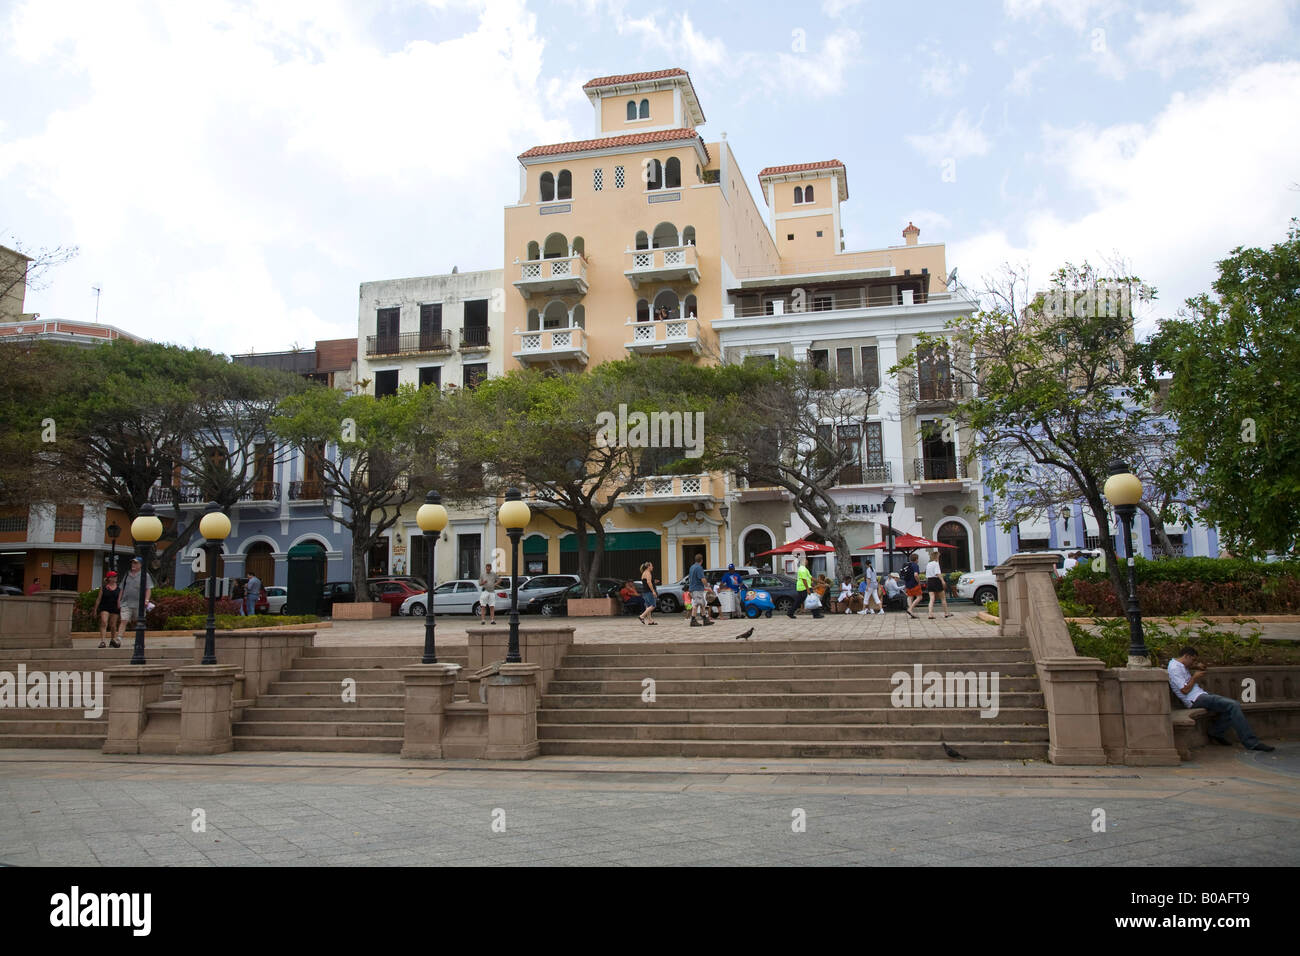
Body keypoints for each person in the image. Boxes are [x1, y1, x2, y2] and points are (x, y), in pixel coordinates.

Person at [1167, 646, 1274, 751]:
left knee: (1230, 707)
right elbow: (1184, 690)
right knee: (1233, 705)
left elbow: (1185, 669)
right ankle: (1251, 742)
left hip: (1200, 694)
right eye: (1193, 660)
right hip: (1194, 699)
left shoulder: (1180, 664)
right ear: (1186, 656)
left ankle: (1216, 732)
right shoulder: (1174, 668)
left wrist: (1196, 666)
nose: (1193, 663)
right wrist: (1195, 677)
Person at [117, 557, 153, 644]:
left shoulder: (145, 575)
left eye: (136, 563)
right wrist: (119, 600)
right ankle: (118, 639)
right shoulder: (127, 575)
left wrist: (147, 600)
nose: (133, 565)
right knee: (124, 620)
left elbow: (148, 589)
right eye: (133, 563)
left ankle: (139, 640)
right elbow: (122, 588)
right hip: (126, 602)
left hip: (139, 604)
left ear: (140, 565)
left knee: (139, 622)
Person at [94, 571, 122, 648]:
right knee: (104, 622)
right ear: (109, 578)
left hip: (114, 608)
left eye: (115, 576)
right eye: (113, 576)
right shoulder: (103, 588)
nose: (115, 578)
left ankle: (112, 640)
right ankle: (103, 641)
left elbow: (120, 599)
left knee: (113, 625)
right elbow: (98, 599)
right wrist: (95, 610)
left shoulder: (119, 588)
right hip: (104, 607)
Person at [924, 551, 953, 619]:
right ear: (937, 557)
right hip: (936, 580)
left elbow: (926, 573)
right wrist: (942, 581)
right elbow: (937, 573)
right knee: (943, 598)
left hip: (930, 580)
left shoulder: (928, 564)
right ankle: (946, 613)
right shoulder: (936, 564)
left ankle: (930, 614)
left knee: (931, 598)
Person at [687, 553, 713, 627]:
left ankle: (705, 619)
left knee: (702, 604)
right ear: (701, 560)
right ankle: (693, 620)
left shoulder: (692, 567)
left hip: (693, 588)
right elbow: (702, 579)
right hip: (697, 589)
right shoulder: (699, 568)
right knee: (696, 604)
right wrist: (708, 587)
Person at [901, 553, 923, 619]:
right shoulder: (915, 565)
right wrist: (919, 582)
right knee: (919, 597)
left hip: (907, 583)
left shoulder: (908, 565)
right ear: (916, 559)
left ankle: (911, 612)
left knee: (910, 597)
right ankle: (910, 609)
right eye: (918, 559)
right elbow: (916, 575)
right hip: (914, 583)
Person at [638, 561, 659, 625]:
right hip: (649, 592)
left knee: (648, 606)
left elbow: (647, 582)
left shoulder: (644, 573)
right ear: (648, 567)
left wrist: (654, 582)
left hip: (645, 591)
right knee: (653, 605)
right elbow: (648, 582)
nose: (652, 567)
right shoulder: (648, 573)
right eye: (651, 566)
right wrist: (653, 591)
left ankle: (650, 621)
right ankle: (642, 616)